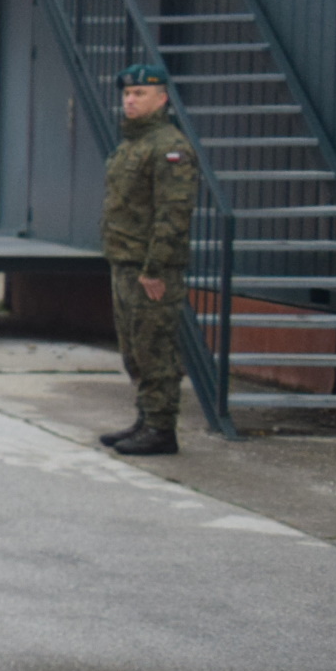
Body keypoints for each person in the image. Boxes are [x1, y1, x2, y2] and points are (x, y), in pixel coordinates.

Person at [100, 63, 197, 456]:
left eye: (140, 94)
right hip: (124, 263)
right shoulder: (132, 145)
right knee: (134, 350)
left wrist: (155, 269)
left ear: (162, 99)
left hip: (149, 269)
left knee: (155, 348)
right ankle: (145, 419)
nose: (130, 100)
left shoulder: (169, 148)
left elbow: (172, 214)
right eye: (127, 94)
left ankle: (161, 429)